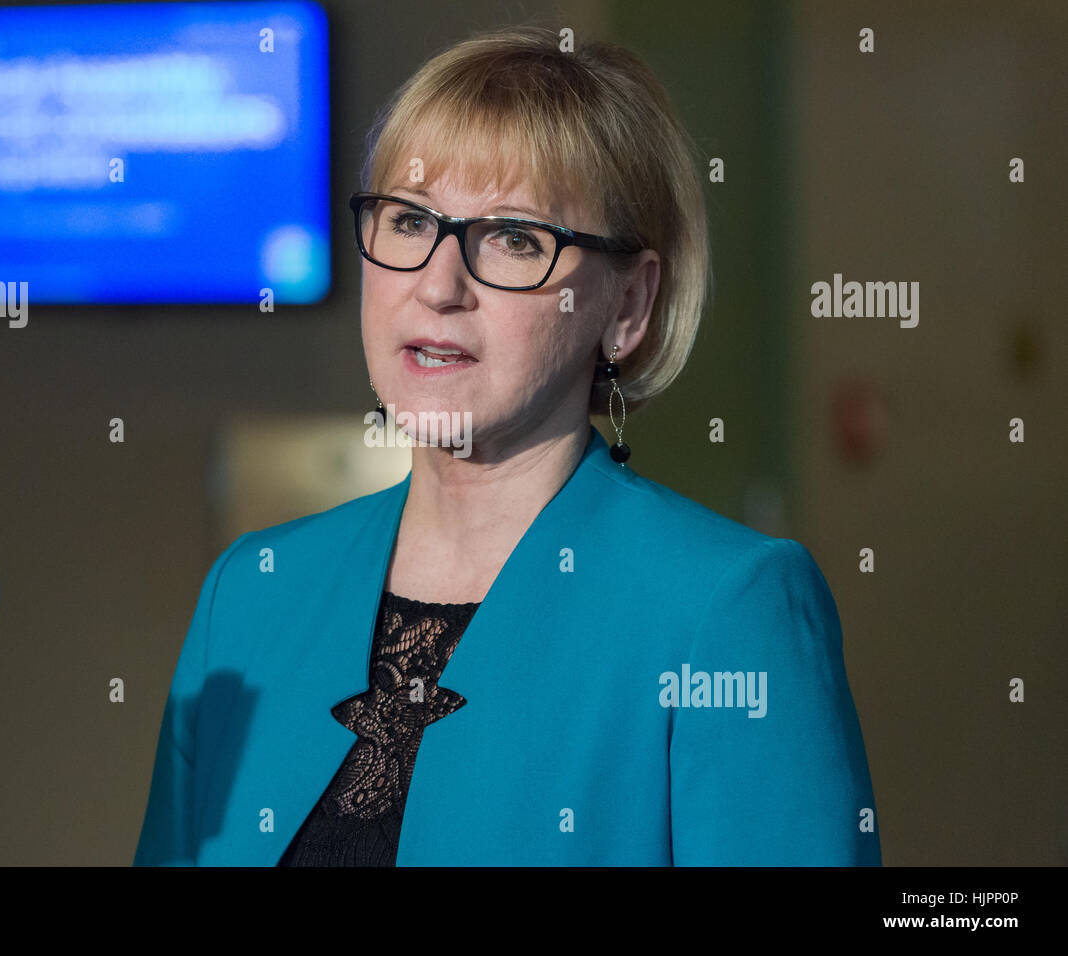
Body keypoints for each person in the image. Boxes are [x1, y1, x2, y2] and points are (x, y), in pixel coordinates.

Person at [134, 24, 881, 866]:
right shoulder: (251, 593)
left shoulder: (725, 610)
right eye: (410, 221)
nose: (439, 285)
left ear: (628, 306)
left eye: (515, 238)